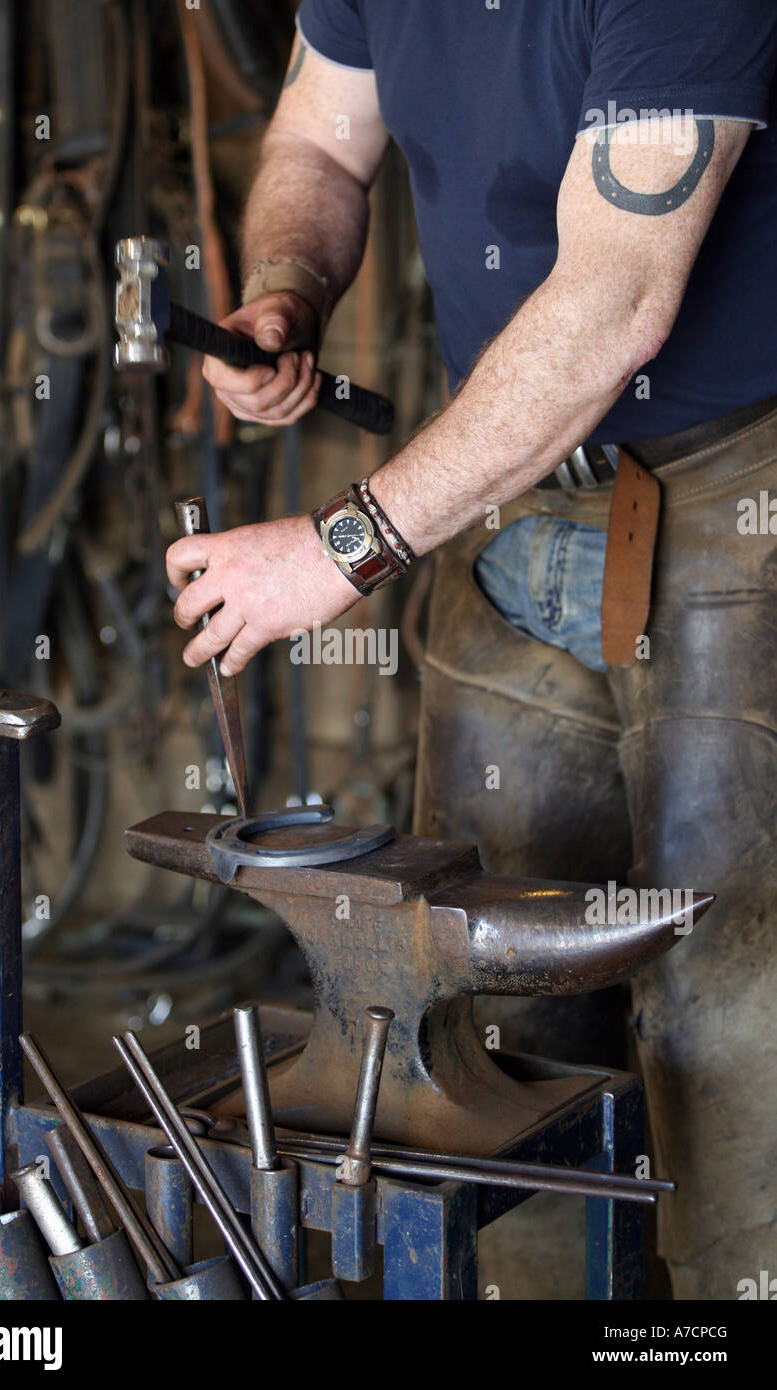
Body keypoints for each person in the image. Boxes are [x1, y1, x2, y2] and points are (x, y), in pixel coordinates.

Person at [166, 2, 777, 1299]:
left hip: (740, 485)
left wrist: (335, 548)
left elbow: (614, 302)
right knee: (483, 994)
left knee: (733, 1003)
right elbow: (320, 149)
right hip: (509, 490)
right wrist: (289, 284)